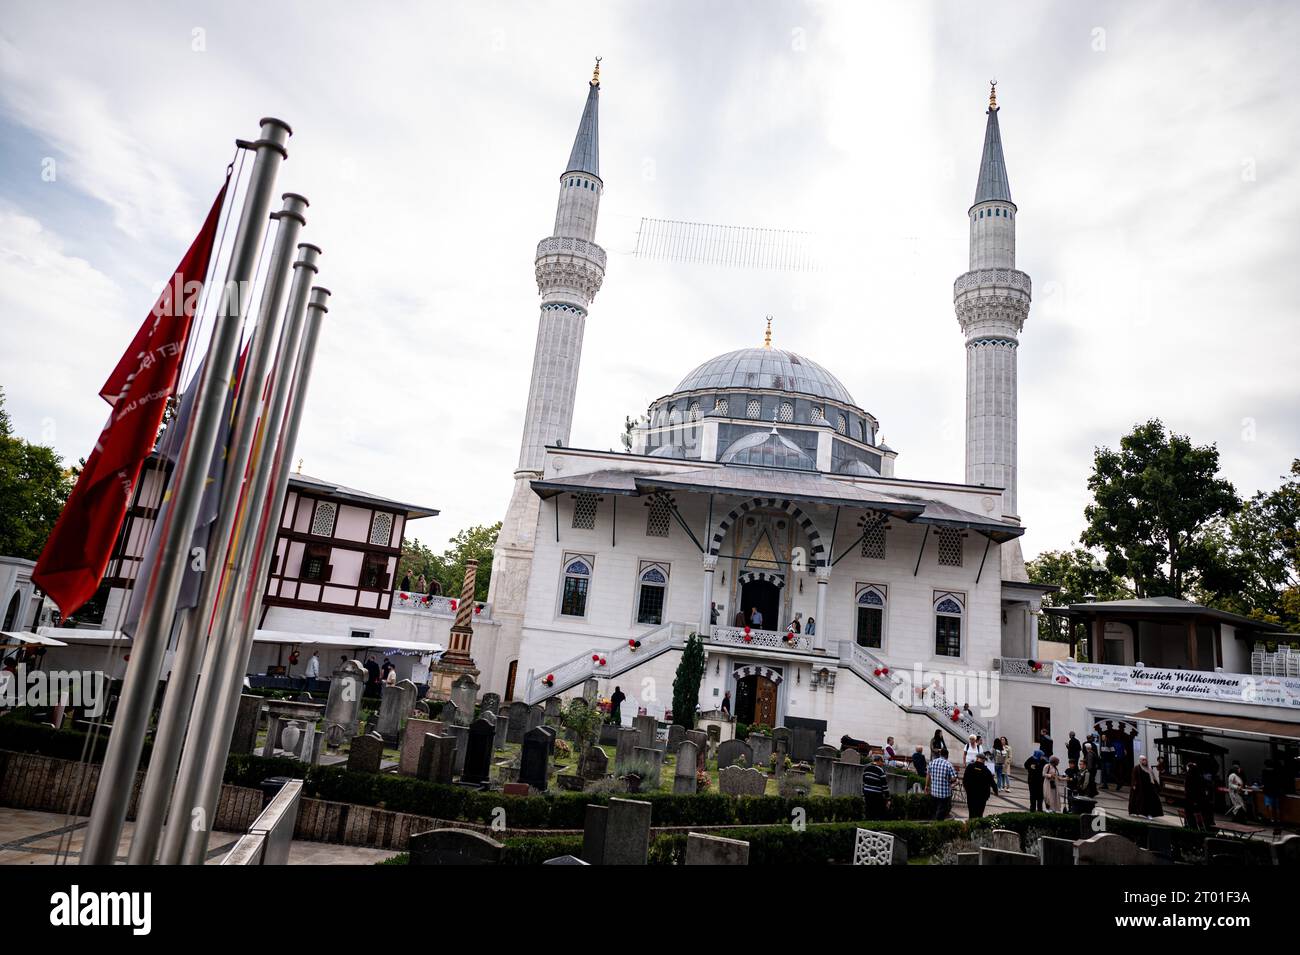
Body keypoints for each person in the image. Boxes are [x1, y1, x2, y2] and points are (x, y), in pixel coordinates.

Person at [1126, 754, 1164, 819]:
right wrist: (1134, 785)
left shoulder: (1149, 769)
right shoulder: (1137, 768)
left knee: (1151, 802)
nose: (1145, 761)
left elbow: (1153, 778)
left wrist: (1157, 787)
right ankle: (1138, 812)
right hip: (1140, 788)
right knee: (1138, 801)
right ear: (1140, 761)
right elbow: (1134, 777)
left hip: (1149, 788)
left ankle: (1150, 814)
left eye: (1145, 760)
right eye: (1143, 760)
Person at [963, 753, 998, 818]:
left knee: (971, 813)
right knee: (979, 814)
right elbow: (992, 782)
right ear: (984, 760)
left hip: (971, 795)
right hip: (982, 797)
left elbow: (965, 780)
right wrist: (996, 791)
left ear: (977, 758)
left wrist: (967, 789)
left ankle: (971, 826)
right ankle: (978, 826)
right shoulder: (986, 770)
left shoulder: (970, 767)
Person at [926, 751, 957, 820]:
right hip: (944, 794)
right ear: (947, 756)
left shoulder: (932, 762)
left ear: (940, 754)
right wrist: (950, 781)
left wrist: (926, 786)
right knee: (942, 813)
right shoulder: (948, 765)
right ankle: (939, 825)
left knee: (934, 810)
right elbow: (954, 778)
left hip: (934, 792)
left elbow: (928, 775)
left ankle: (933, 823)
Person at [862, 753, 889, 818]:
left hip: (867, 792)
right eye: (882, 761)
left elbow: (864, 780)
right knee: (879, 812)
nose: (883, 763)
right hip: (876, 793)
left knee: (868, 811)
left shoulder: (866, 768)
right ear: (879, 760)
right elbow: (884, 785)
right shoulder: (880, 770)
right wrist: (888, 798)